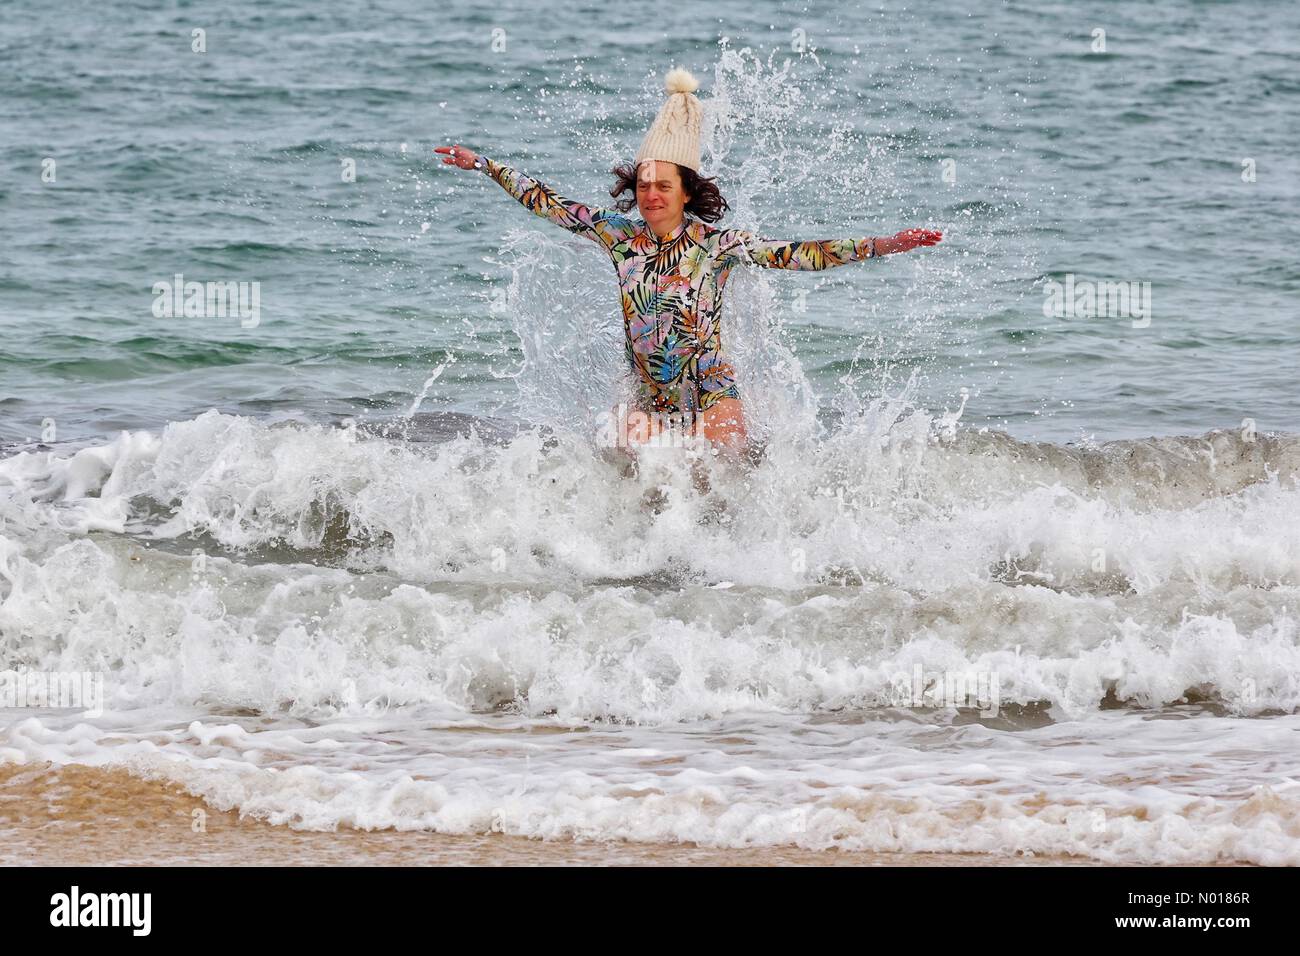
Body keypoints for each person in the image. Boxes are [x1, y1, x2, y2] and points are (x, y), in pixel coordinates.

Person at [436, 66, 941, 459]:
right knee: (628, 467)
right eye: (643, 185)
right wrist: (483, 165)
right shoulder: (617, 235)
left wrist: (885, 244)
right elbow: (546, 201)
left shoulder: (718, 246)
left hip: (713, 397)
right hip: (650, 400)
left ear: (685, 191)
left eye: (663, 186)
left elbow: (800, 255)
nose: (651, 195)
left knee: (720, 476)